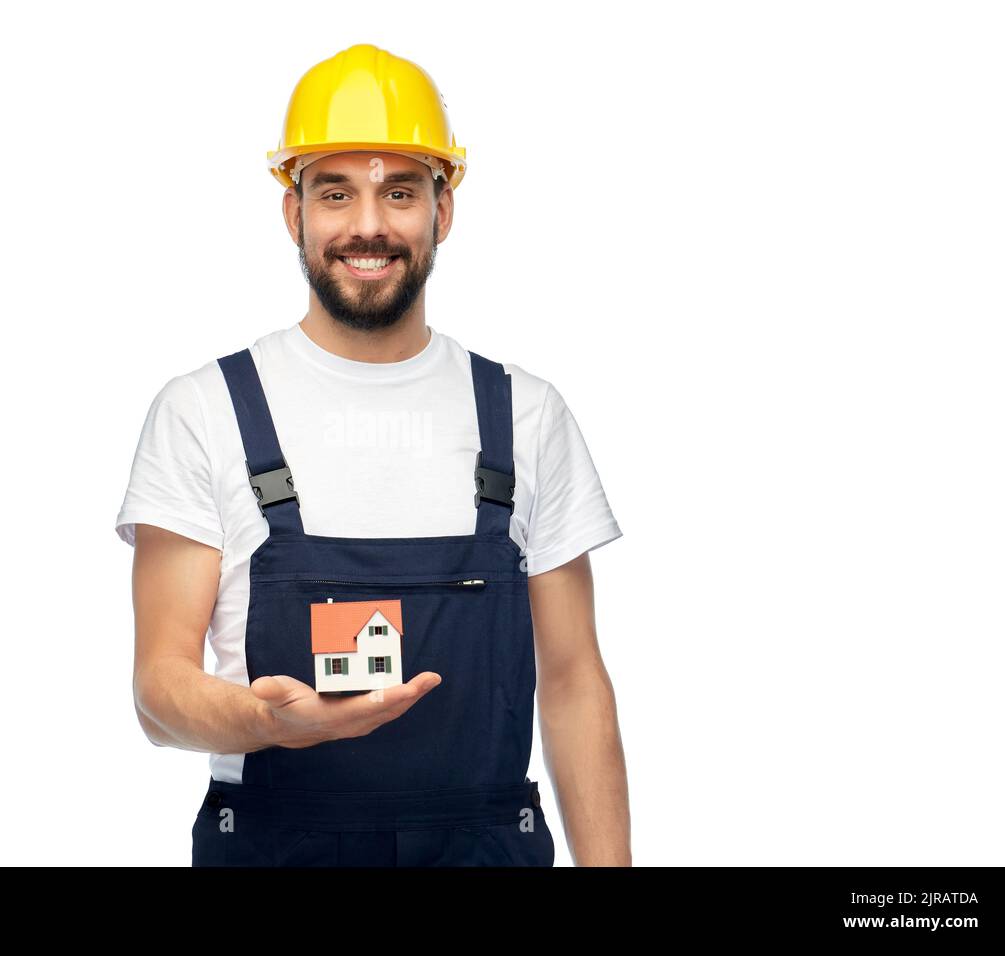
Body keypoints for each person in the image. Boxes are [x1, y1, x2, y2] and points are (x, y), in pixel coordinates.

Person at [115, 43, 631, 866]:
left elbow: (573, 683)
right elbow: (158, 693)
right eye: (335, 193)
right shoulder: (202, 412)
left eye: (399, 192)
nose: (367, 226)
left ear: (443, 211)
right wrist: (264, 723)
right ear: (295, 215)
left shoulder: (527, 416)